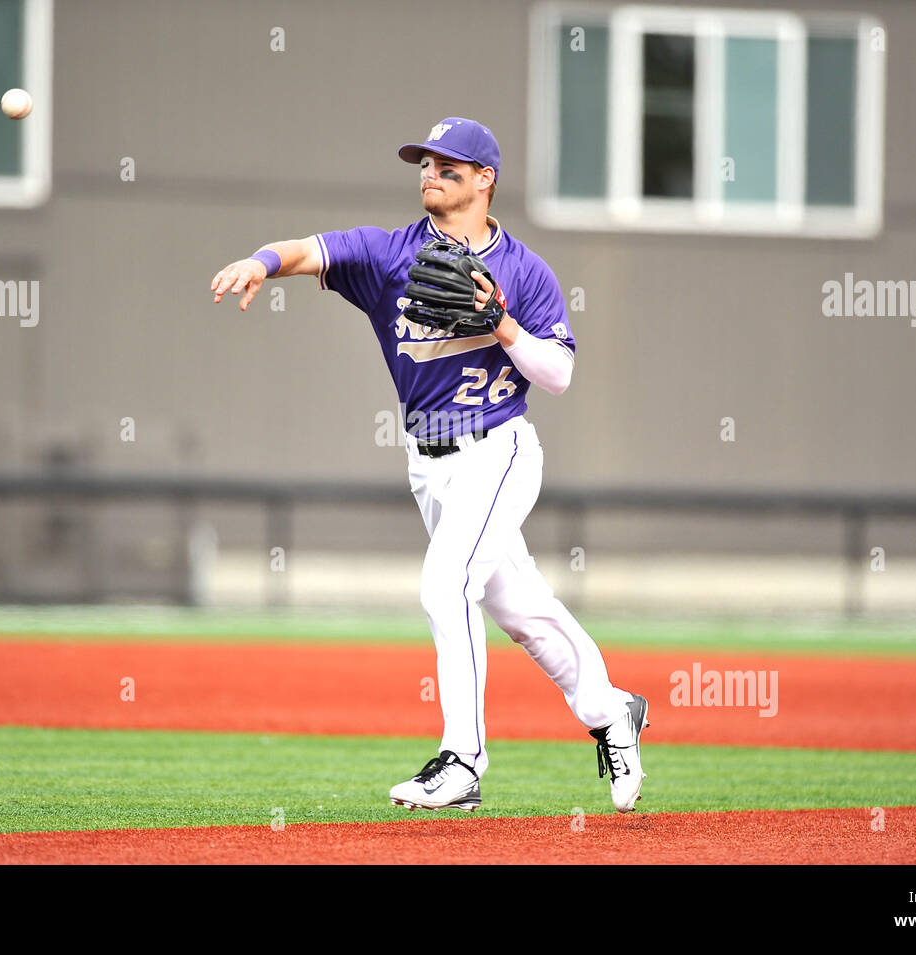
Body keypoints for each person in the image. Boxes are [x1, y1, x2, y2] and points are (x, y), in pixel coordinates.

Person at [210, 117, 649, 813]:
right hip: (428, 462)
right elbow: (307, 251)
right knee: (522, 611)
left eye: (448, 167)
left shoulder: (524, 271)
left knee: (446, 585)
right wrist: (260, 263)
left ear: (484, 180)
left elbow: (559, 373)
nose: (430, 175)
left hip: (498, 449)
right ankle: (611, 709)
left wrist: (502, 323)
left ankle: (463, 760)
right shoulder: (388, 255)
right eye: (424, 164)